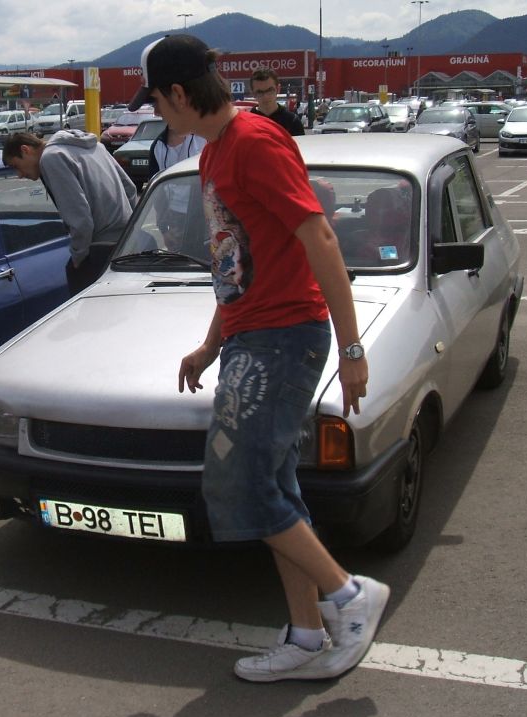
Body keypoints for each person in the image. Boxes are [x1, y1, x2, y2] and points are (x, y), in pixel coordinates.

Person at [128, 35, 389, 682]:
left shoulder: (256, 142)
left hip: (286, 336)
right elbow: (234, 261)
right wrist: (212, 343)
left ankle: (351, 598)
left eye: (157, 100)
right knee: (274, 488)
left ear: (180, 94)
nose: (156, 112)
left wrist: (352, 348)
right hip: (251, 336)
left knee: (237, 483)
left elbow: (319, 236)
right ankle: (305, 635)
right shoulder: (215, 155)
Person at [3, 130, 138, 294]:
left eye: (16, 166)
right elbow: (130, 189)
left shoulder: (51, 158)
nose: (19, 175)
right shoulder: (98, 147)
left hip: (101, 249)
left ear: (26, 150)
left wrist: (78, 257)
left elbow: (80, 219)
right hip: (126, 244)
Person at [249, 68, 305, 137]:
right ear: (253, 93)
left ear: (278, 89)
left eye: (270, 90)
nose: (265, 96)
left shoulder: (292, 121)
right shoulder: (246, 123)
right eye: (260, 92)